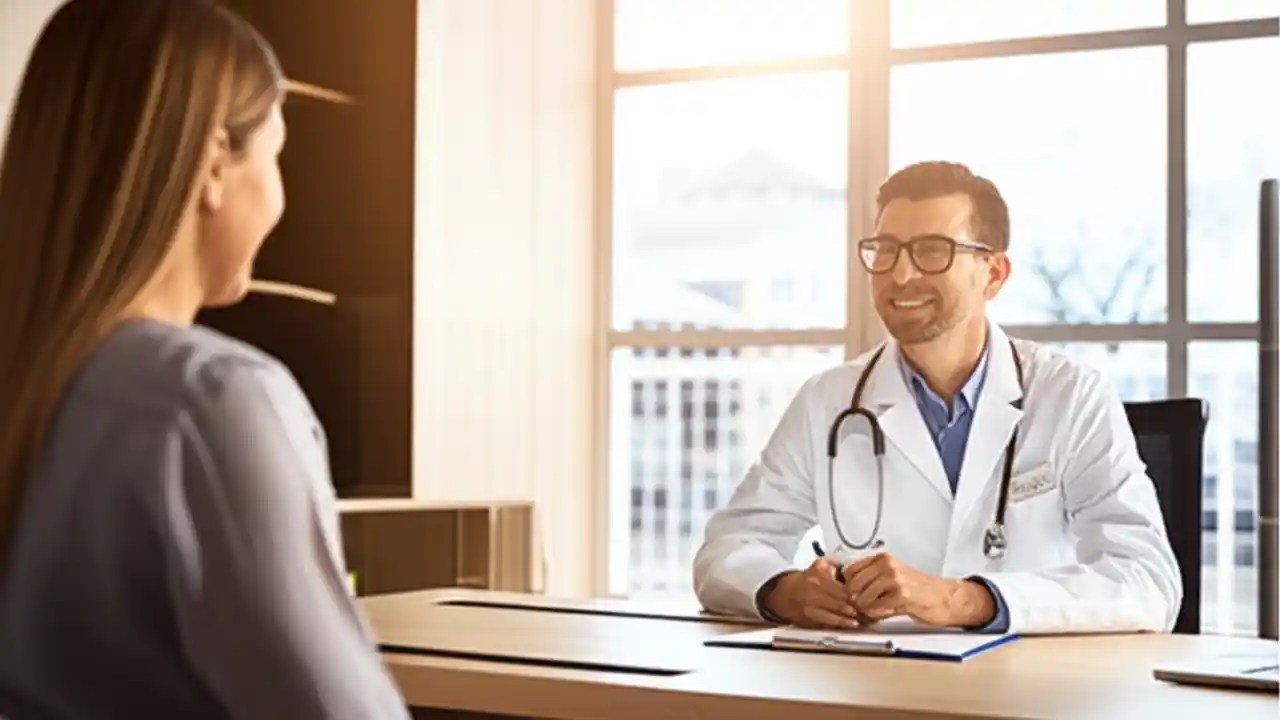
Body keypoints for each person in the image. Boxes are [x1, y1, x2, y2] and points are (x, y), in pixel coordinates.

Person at [0, 1, 408, 717]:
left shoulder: (34, 385)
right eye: (277, 154)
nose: (281, 196)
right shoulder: (207, 401)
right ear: (215, 164)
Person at [693, 161, 1181, 635]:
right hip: (868, 690)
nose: (900, 275)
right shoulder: (829, 402)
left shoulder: (1072, 395)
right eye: (885, 250)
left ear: (993, 273)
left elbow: (1147, 581)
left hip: (1029, 693)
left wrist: (961, 600)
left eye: (932, 251)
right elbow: (727, 550)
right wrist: (783, 590)